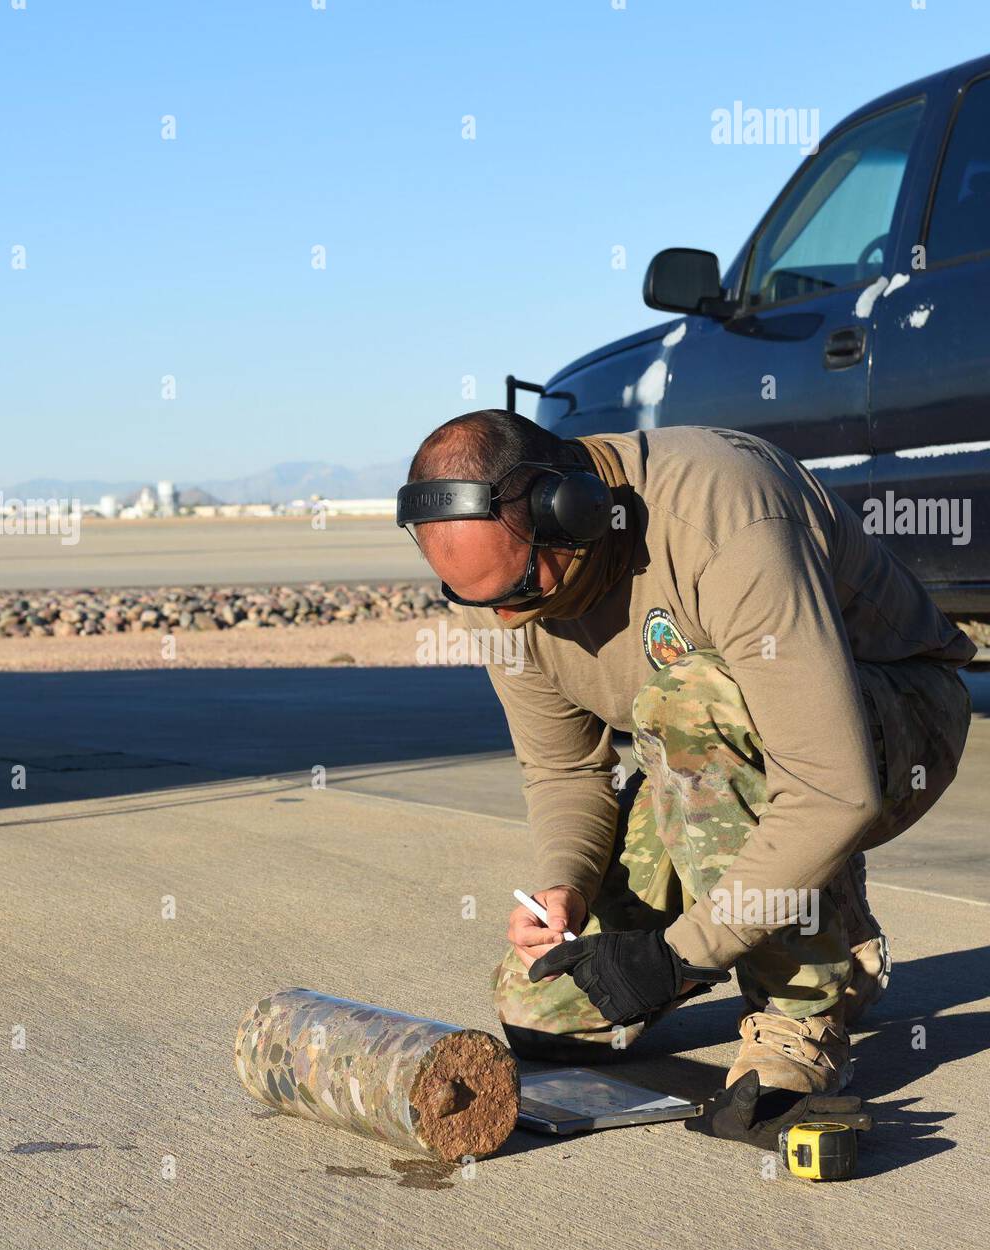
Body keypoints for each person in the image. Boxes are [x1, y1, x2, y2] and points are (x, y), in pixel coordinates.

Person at [397, 410, 974, 1092]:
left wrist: (680, 956)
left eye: (519, 590)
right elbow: (564, 767)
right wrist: (564, 888)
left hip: (894, 724)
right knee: (545, 1011)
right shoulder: (495, 585)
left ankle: (798, 1015)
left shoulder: (726, 515)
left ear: (575, 512)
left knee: (689, 699)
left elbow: (830, 789)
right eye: (472, 599)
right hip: (708, 756)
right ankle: (831, 922)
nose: (502, 620)